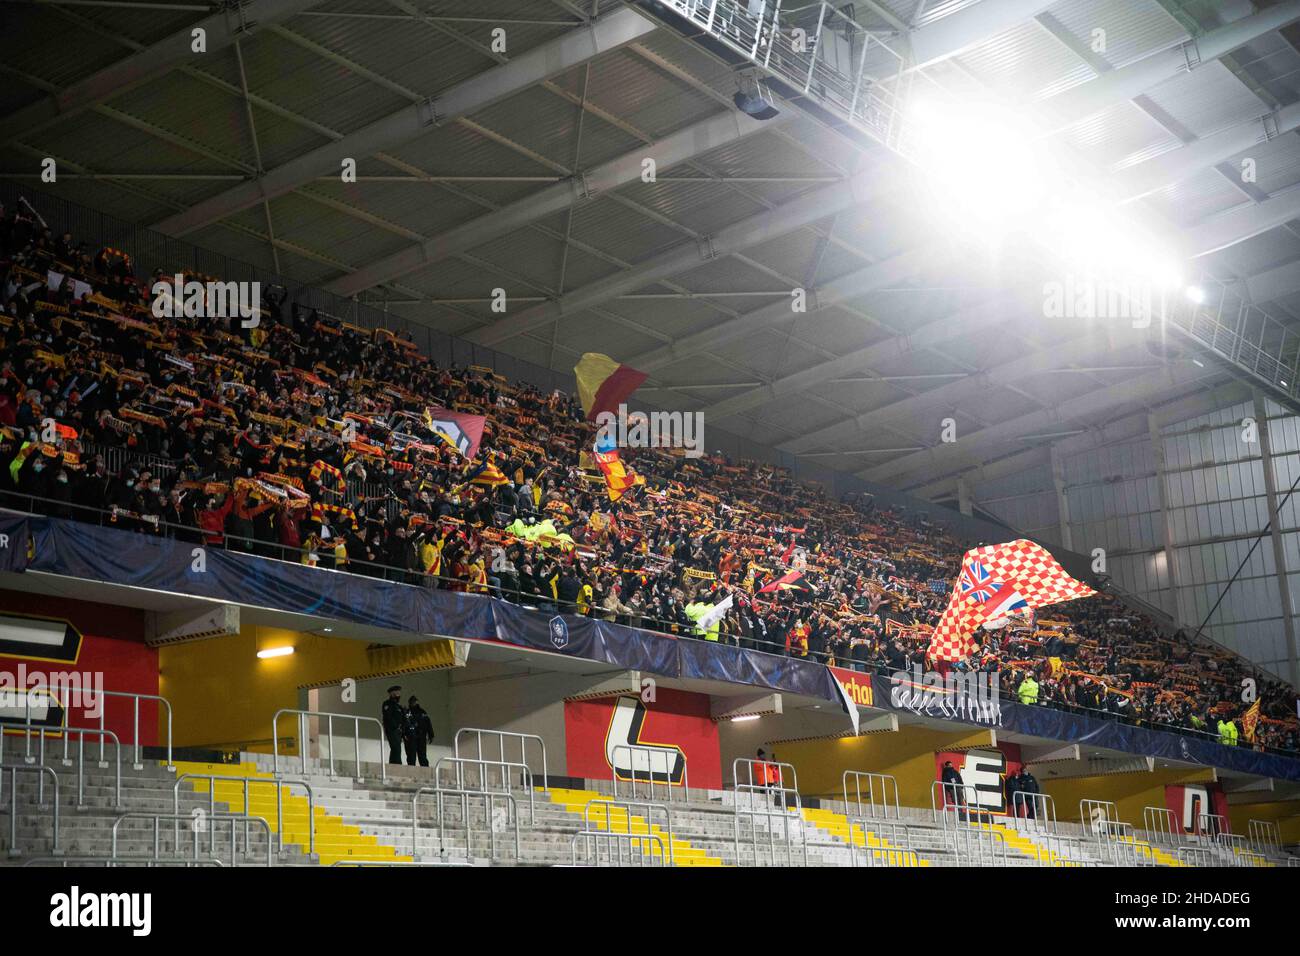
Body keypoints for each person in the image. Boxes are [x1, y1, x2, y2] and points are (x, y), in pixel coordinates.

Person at [404, 695, 435, 767]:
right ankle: (411, 771)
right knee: (411, 756)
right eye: (412, 702)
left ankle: (425, 771)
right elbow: (404, 724)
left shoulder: (422, 712)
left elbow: (428, 723)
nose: (414, 703)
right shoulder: (407, 713)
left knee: (422, 756)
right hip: (411, 737)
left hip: (421, 736)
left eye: (415, 701)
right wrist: (404, 734)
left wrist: (431, 735)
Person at [381, 685, 406, 765]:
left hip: (398, 731)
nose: (398, 695)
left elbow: (402, 718)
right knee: (396, 748)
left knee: (396, 748)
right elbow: (388, 717)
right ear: (392, 694)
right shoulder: (387, 704)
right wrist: (395, 727)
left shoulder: (398, 706)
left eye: (399, 693)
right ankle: (397, 764)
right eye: (397, 693)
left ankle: (393, 764)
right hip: (391, 730)